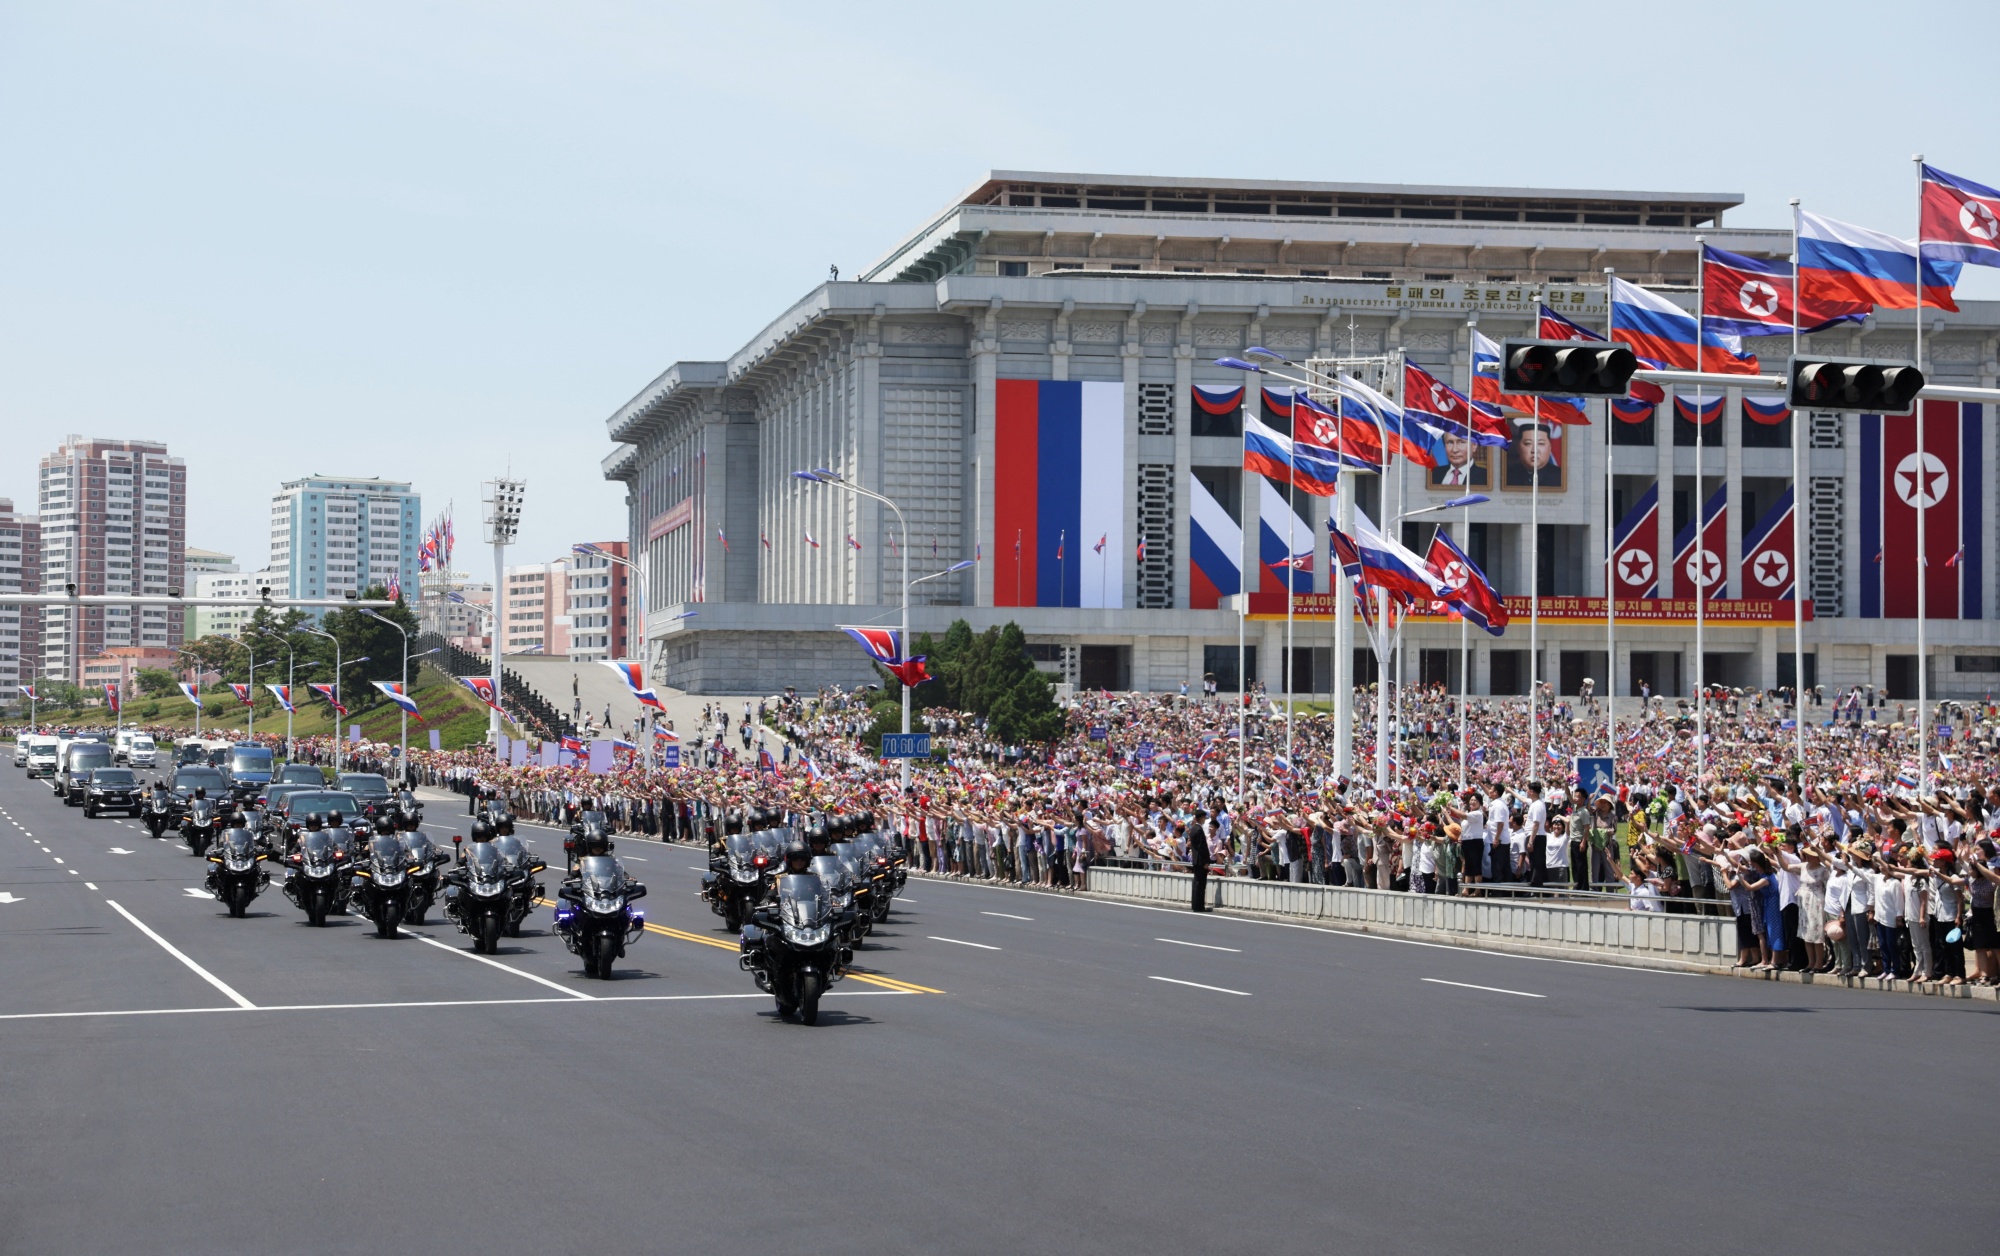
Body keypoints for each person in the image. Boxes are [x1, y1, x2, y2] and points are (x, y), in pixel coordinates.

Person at [1188, 809, 1210, 912]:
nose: (1205, 819)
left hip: (1196, 860)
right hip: (1201, 861)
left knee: (1196, 883)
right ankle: (1199, 906)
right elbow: (1202, 847)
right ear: (1200, 817)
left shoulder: (1193, 829)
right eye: (1204, 817)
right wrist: (1206, 861)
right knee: (1201, 884)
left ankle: (1195, 905)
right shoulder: (1199, 830)